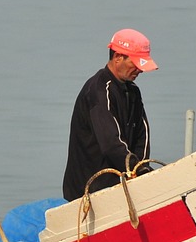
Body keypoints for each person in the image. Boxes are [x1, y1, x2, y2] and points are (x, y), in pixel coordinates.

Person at [62, 28, 158, 202]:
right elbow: (111, 144)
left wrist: (141, 169)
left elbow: (142, 136)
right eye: (135, 64)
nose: (140, 70)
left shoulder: (133, 91)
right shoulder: (99, 91)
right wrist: (132, 171)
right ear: (117, 58)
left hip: (121, 181)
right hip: (89, 188)